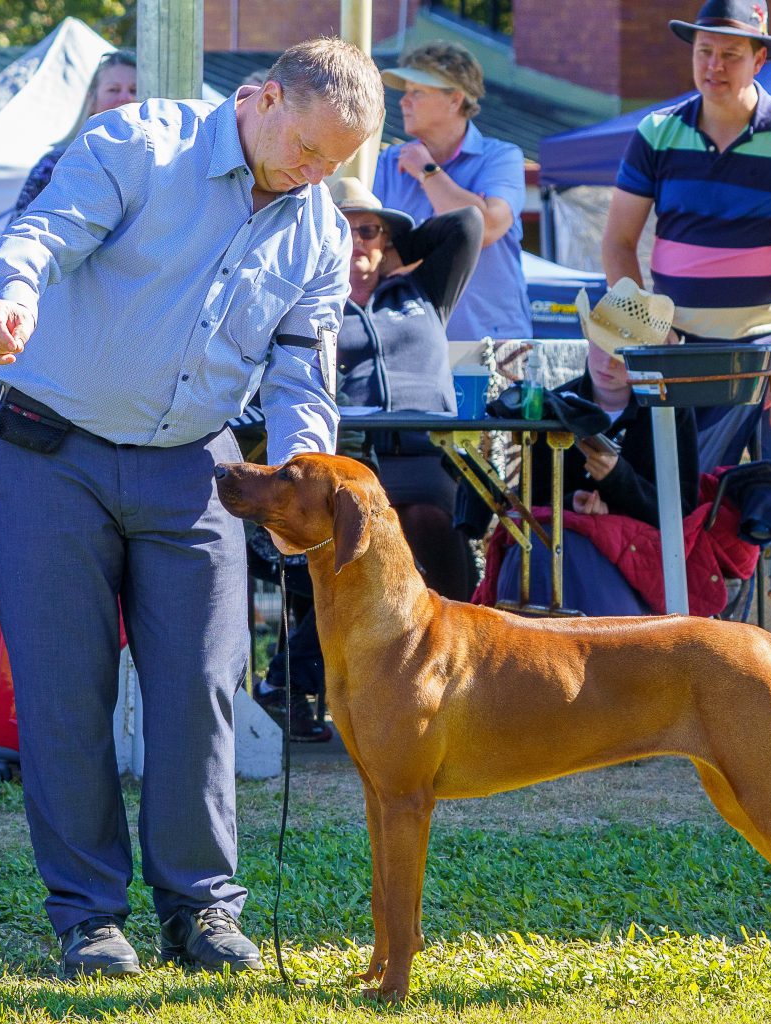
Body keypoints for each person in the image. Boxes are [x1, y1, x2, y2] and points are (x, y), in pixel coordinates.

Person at [0, 38, 384, 979]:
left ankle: (202, 910)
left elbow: (299, 374)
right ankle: (89, 919)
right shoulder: (139, 143)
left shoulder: (318, 226)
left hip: (198, 468)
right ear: (264, 96)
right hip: (52, 451)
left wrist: (296, 479)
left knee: (202, 689)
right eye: (308, 151)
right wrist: (11, 298)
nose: (314, 177)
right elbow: (42, 234)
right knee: (65, 696)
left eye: (334, 165)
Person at [600, 1, 771, 703]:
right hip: (678, 355)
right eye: (703, 52)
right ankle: (671, 651)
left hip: (769, 349)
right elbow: (617, 242)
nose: (712, 66)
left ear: (759, 59)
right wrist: (644, 330)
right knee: (669, 499)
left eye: (729, 55)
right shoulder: (655, 130)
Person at [254, 178, 484, 739]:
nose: (360, 241)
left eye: (371, 230)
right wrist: (332, 244)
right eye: (347, 228)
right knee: (355, 551)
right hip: (352, 466)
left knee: (434, 547)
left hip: (429, 464)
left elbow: (468, 226)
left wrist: (393, 243)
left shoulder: (422, 293)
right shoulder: (311, 304)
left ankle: (452, 690)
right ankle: (295, 682)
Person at [484, 279, 700, 614]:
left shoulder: (670, 414)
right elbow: (531, 500)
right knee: (540, 548)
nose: (606, 363)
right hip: (558, 548)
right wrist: (573, 502)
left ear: (642, 361)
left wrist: (618, 479)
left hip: (629, 563)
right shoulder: (555, 406)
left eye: (621, 356)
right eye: (600, 345)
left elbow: (679, 515)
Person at [374, 41, 532, 341]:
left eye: (417, 92)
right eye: (405, 92)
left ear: (455, 100)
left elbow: (487, 228)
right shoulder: (386, 163)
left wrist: (426, 171)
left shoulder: (502, 157)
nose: (404, 102)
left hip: (491, 344)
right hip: (406, 345)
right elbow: (370, 250)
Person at [14, 50, 137, 218]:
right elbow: (19, 227)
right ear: (91, 100)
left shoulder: (159, 165)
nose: (126, 98)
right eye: (113, 89)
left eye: (134, 90)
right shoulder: (54, 165)